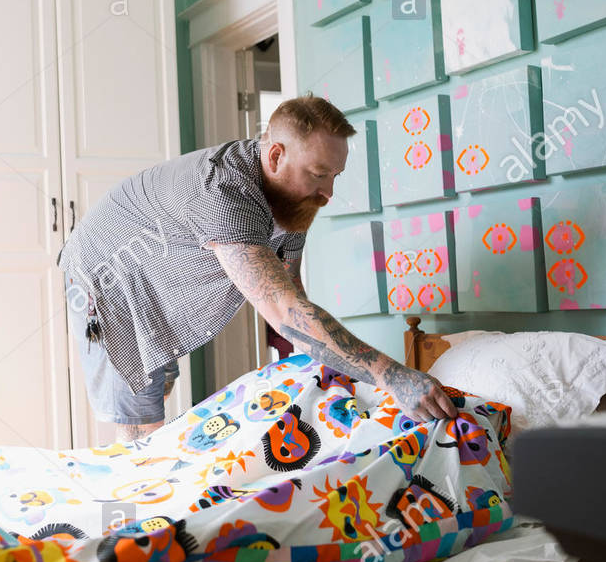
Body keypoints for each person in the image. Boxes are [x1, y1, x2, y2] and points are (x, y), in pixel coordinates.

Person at [56, 94, 458, 441]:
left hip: (158, 277)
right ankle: (133, 517)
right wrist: (392, 376)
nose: (328, 193)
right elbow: (285, 314)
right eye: (319, 175)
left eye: (335, 176)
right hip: (104, 272)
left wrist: (326, 378)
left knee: (157, 390)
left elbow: (292, 293)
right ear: (276, 155)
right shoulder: (224, 190)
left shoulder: (293, 199)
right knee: (142, 425)